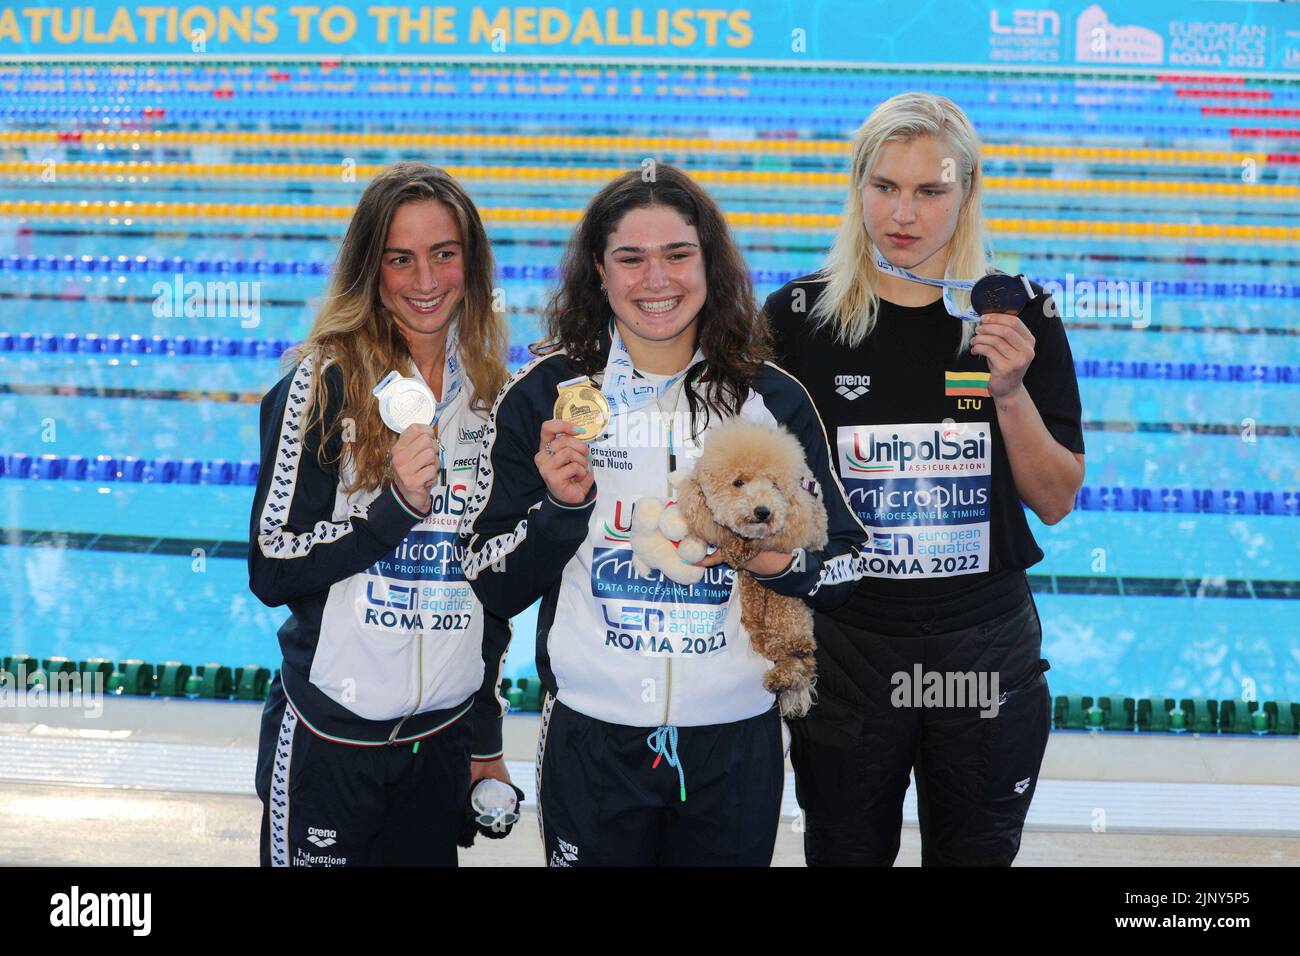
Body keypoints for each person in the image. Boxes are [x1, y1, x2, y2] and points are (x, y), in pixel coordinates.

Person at [461, 165, 866, 866]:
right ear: (599, 270)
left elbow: (851, 563)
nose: (657, 280)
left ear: (709, 262)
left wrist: (783, 565)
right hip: (593, 735)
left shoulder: (769, 399)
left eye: (678, 255)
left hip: (734, 740)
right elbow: (489, 580)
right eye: (631, 258)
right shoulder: (545, 397)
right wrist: (560, 510)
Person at [764, 93, 1086, 866]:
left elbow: (1056, 498)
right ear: (858, 187)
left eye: (930, 191)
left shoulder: (1021, 317)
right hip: (848, 649)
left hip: (980, 648)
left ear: (966, 194)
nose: (902, 213)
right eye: (885, 187)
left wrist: (1008, 392)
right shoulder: (800, 318)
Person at [248, 162, 513, 867]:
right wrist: (389, 512)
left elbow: (488, 587)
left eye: (443, 254)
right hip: (331, 739)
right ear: (371, 267)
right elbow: (272, 564)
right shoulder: (322, 381)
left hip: (441, 742)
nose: (425, 280)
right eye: (400, 259)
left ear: (471, 262)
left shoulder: (490, 393)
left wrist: (485, 734)